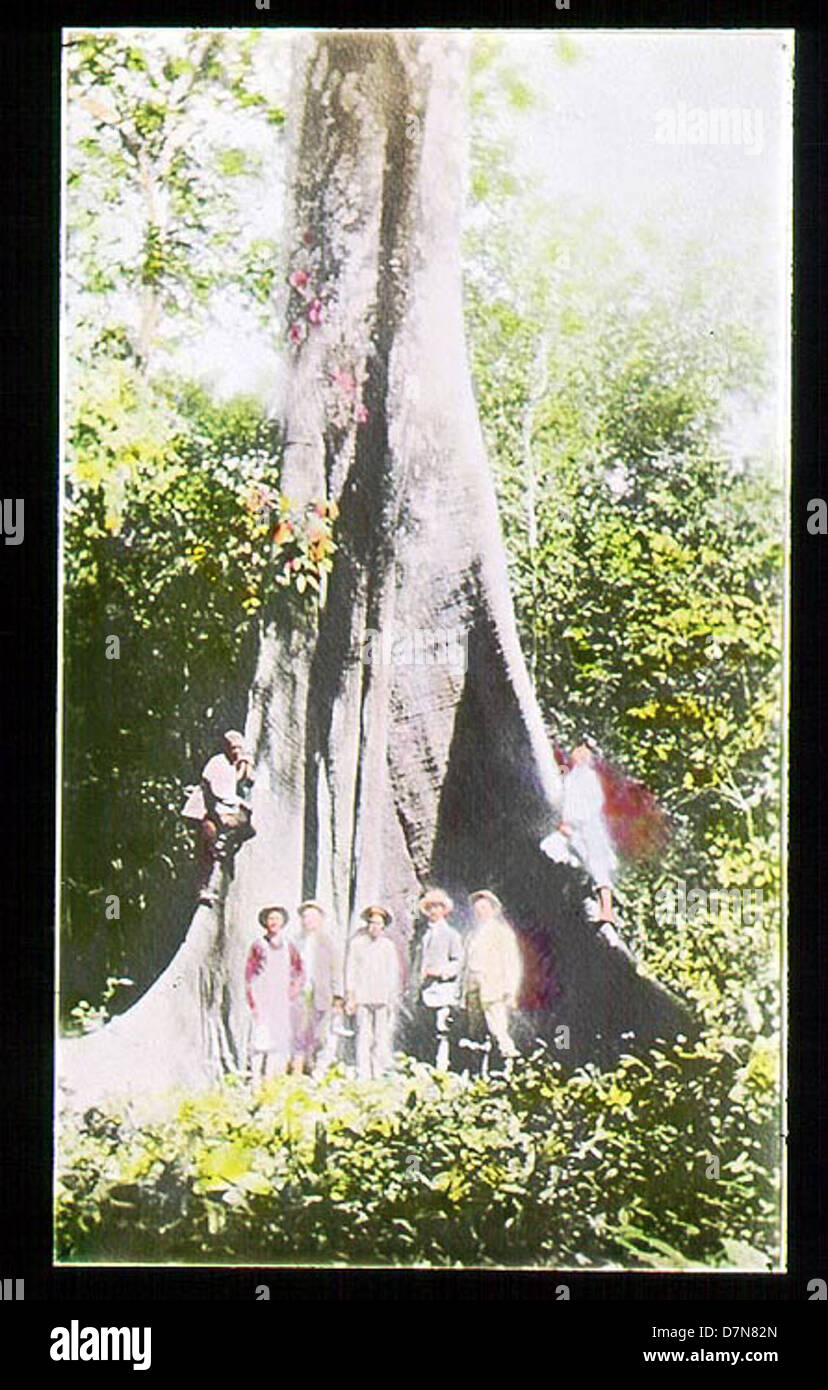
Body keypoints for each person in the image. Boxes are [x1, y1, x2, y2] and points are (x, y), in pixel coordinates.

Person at [540, 737, 617, 925]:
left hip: (588, 828)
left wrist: (574, 823)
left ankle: (606, 910)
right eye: (578, 751)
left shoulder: (588, 776)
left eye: (585, 753)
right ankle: (569, 897)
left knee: (597, 866)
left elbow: (592, 806)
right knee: (549, 847)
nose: (580, 755)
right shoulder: (569, 777)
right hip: (571, 829)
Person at [182, 730, 256, 902]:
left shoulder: (232, 764)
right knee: (207, 847)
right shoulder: (217, 763)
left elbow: (238, 781)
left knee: (248, 829)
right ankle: (201, 889)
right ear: (226, 747)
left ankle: (225, 843)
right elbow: (216, 792)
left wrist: (246, 764)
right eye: (233, 747)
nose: (236, 751)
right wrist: (237, 804)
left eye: (239, 747)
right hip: (205, 809)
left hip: (220, 808)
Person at [460, 890, 522, 1074]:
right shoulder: (472, 935)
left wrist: (511, 990)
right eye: (477, 909)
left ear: (494, 910)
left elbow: (511, 963)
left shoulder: (501, 933)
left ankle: (507, 1069)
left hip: (493, 988)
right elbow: (466, 965)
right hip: (473, 988)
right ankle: (479, 1073)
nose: (480, 912)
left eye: (485, 908)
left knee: (497, 1029)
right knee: (476, 1032)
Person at [245, 906, 304, 1083]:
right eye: (271, 919)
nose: (274, 922)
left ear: (283, 923)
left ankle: (270, 1079)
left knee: (277, 1038)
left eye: (277, 919)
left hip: (281, 997)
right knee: (260, 1038)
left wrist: (294, 990)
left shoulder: (289, 945)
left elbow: (299, 970)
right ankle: (255, 1078)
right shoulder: (258, 945)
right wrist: (253, 1002)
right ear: (265, 923)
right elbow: (249, 974)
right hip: (262, 996)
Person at [345, 906, 400, 1081]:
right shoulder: (357, 944)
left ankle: (378, 1070)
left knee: (380, 1035)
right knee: (363, 1034)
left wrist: (391, 997)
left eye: (378, 924)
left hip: (382, 997)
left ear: (383, 926)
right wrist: (350, 995)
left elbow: (393, 973)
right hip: (363, 996)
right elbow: (351, 971)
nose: (375, 927)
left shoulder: (388, 946)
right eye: (372, 923)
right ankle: (363, 1071)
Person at [291, 900, 345, 1075]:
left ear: (321, 920)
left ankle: (316, 1068)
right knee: (299, 1032)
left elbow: (336, 970)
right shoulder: (296, 942)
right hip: (299, 995)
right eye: (305, 917)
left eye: (313, 917)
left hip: (321, 994)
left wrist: (338, 995)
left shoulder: (328, 942)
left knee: (319, 1033)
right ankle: (297, 1072)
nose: (308, 921)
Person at [416, 887, 463, 1071]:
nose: (434, 911)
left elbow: (458, 962)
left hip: (443, 991)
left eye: (438, 907)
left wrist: (440, 972)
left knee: (442, 1031)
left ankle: (441, 1068)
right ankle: (427, 1067)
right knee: (427, 1031)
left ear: (445, 910)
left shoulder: (451, 934)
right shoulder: (425, 935)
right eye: (430, 907)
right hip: (426, 991)